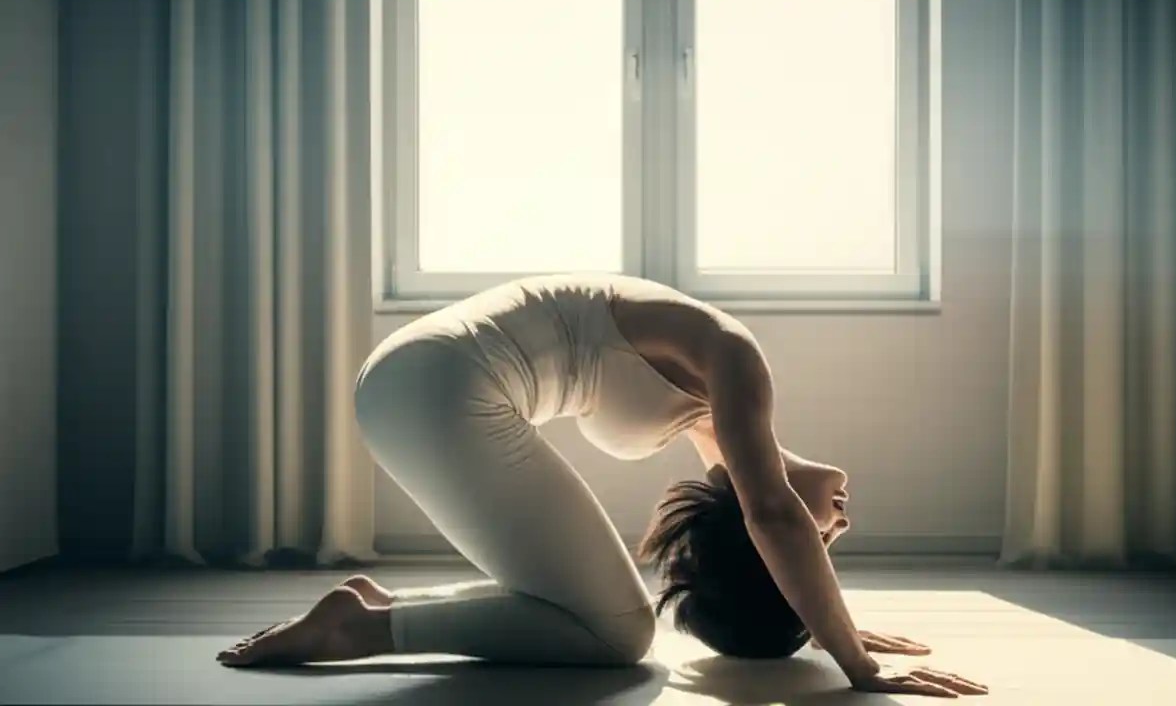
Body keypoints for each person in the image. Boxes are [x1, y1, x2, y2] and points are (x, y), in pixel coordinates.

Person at [216, 273, 987, 698]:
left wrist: (835, 636)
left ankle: (370, 613)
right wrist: (846, 646)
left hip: (415, 384)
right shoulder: (731, 370)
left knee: (607, 622)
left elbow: (771, 513)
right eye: (830, 544)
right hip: (434, 384)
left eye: (828, 547)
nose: (837, 529)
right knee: (622, 632)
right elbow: (771, 514)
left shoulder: (722, 405)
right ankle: (365, 629)